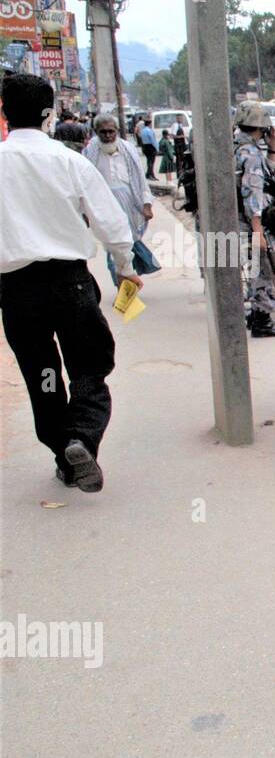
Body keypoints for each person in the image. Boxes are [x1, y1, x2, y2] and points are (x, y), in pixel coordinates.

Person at [0, 73, 141, 494]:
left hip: (17, 291)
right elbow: (110, 221)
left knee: (43, 374)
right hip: (70, 284)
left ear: (5, 113)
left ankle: (64, 451)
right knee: (89, 367)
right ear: (50, 114)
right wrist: (126, 264)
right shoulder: (70, 161)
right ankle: (81, 436)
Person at [233, 103, 275, 337]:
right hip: (251, 223)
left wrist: (272, 149)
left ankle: (258, 313)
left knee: (259, 268)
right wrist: (258, 230)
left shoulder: (239, 147)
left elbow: (266, 177)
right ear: (263, 126)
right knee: (267, 267)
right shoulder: (249, 153)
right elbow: (253, 191)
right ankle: (262, 319)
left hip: (242, 221)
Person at [83, 113, 160, 286]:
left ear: (117, 131)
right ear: (96, 132)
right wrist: (85, 212)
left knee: (128, 243)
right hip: (105, 207)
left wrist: (147, 205)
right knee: (113, 247)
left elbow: (140, 180)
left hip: (130, 206)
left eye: (111, 131)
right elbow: (85, 184)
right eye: (103, 132)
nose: (108, 136)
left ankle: (130, 279)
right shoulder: (90, 153)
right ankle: (122, 287)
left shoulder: (128, 150)